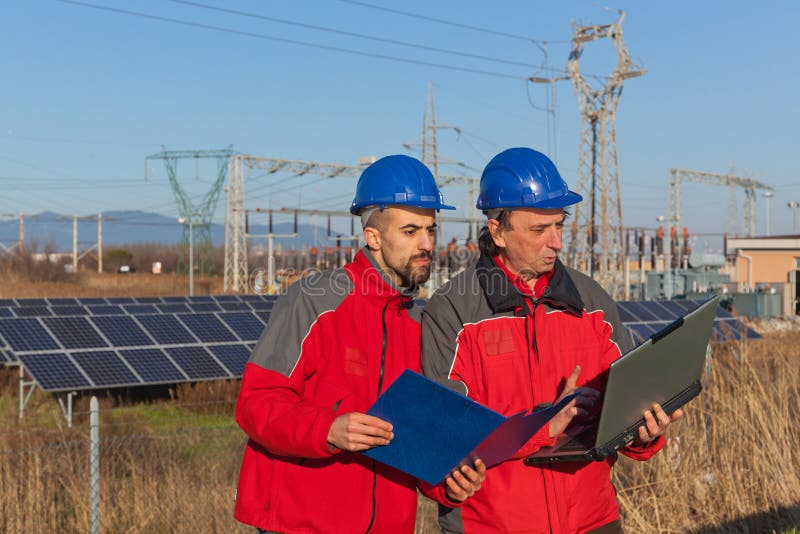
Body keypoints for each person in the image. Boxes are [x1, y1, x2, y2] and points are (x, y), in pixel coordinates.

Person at [421, 147, 681, 534]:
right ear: (497, 231)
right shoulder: (452, 312)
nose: (556, 242)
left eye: (559, 226)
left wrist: (643, 433)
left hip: (594, 521)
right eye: (539, 230)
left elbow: (623, 409)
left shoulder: (591, 301)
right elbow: (441, 438)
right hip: (491, 526)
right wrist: (544, 424)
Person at [234, 154, 486, 534]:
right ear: (373, 237)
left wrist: (448, 482)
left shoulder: (421, 323)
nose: (426, 244)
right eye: (410, 231)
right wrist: (328, 429)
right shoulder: (316, 301)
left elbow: (415, 441)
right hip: (300, 524)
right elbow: (256, 404)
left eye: (430, 230)